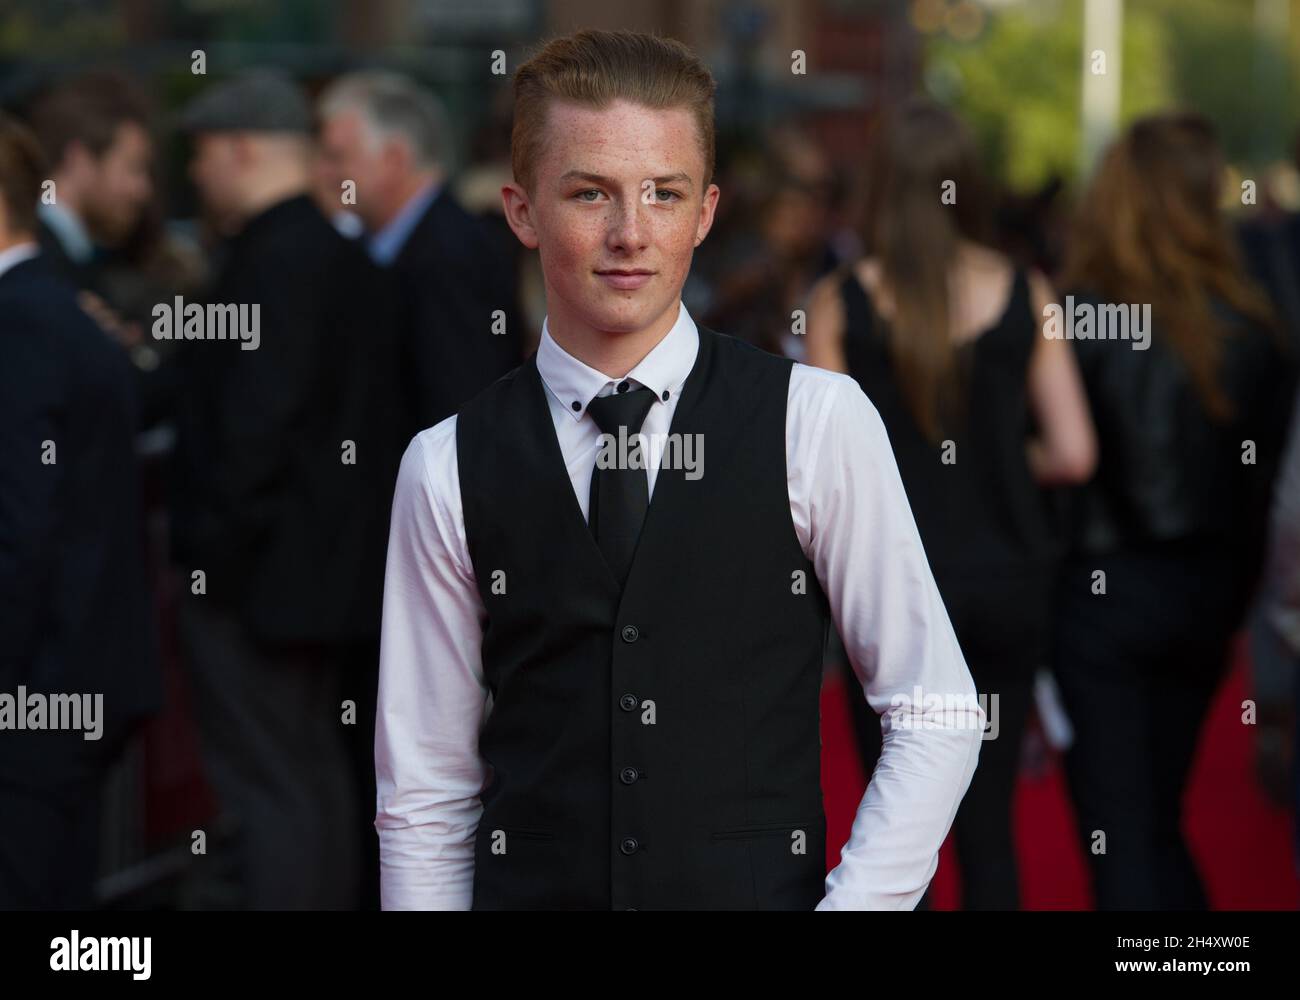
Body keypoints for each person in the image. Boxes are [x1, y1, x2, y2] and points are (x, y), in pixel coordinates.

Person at [375, 28, 983, 911]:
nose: (630, 233)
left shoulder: (814, 421)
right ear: (521, 211)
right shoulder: (443, 466)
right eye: (590, 193)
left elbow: (934, 709)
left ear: (704, 212)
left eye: (663, 194)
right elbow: (426, 791)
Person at [804, 96, 1097, 909]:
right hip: (1007, 584)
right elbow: (1073, 453)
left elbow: (823, 466)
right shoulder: (1023, 290)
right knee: (989, 828)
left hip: (889, 595)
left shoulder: (838, 302)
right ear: (967, 184)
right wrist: (1003, 460)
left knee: (900, 829)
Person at [171, 70, 403, 909]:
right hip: (321, 575)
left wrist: (211, 555)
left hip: (259, 581)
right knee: (311, 773)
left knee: (271, 783)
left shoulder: (273, 262)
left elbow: (253, 427)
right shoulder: (343, 257)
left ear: (240, 149)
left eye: (200, 154)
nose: (194, 174)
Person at [1053, 111, 1295, 910]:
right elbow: (1263, 488)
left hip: (1102, 595)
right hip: (1206, 597)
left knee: (1122, 833)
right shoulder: (1253, 323)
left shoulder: (1080, 316)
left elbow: (1050, 467)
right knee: (1155, 821)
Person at [0, 111, 160, 908]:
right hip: (74, 680)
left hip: (38, 695)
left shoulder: (20, 323)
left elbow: (19, 528)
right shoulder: (62, 313)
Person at [317, 71, 524, 432]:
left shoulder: (450, 257)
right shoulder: (403, 246)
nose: (322, 172)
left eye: (338, 157)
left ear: (395, 159)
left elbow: (458, 415)